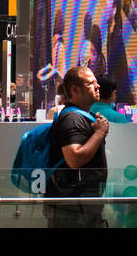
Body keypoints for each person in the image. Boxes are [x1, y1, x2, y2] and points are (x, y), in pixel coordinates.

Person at [45, 66, 110, 228]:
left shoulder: (79, 115)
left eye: (96, 82)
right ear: (75, 90)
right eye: (91, 83)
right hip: (72, 209)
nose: (98, 86)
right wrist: (99, 133)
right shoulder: (72, 118)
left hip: (80, 205)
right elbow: (74, 158)